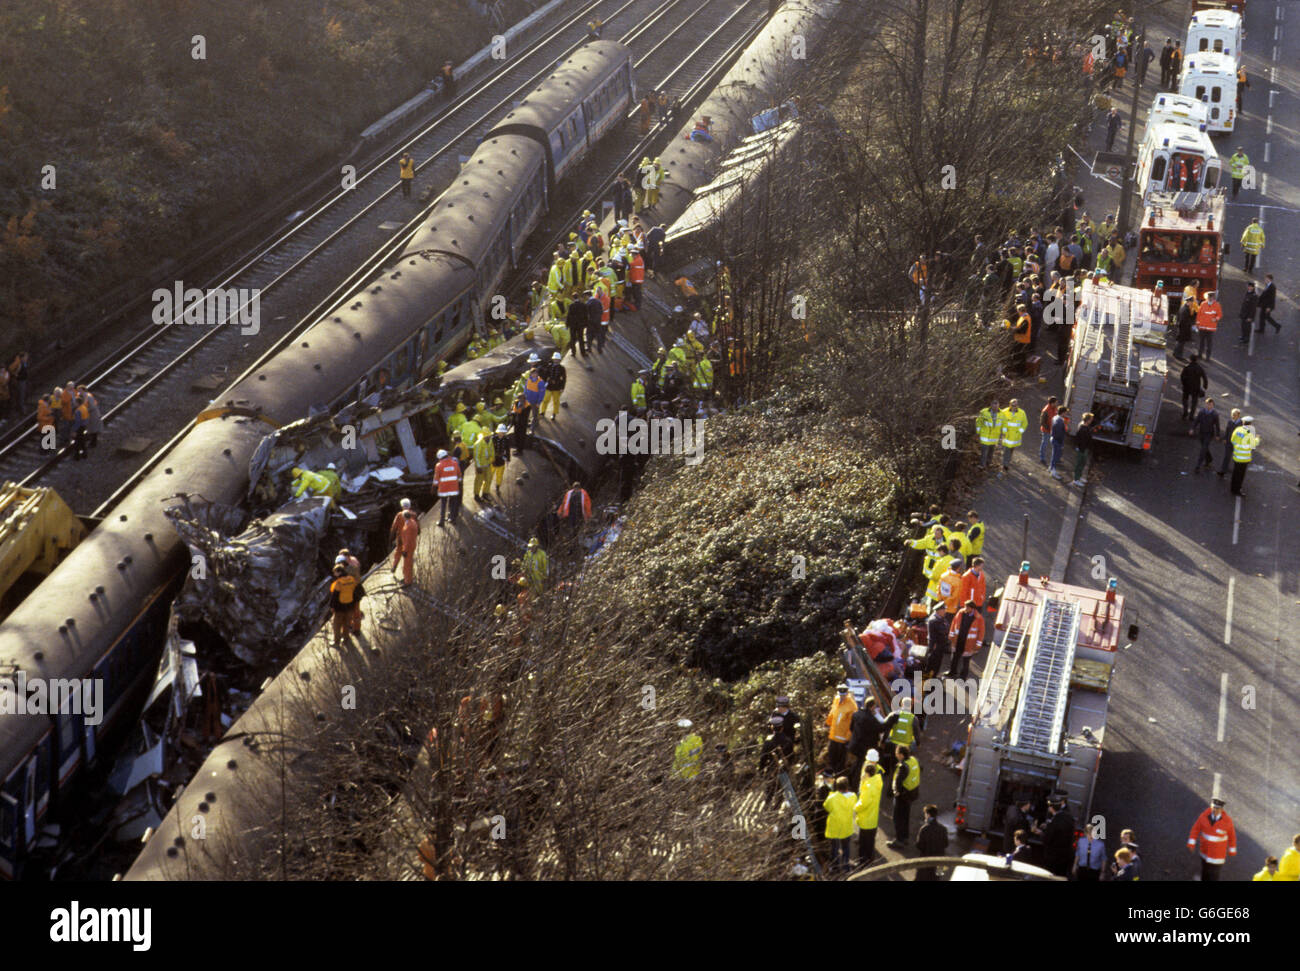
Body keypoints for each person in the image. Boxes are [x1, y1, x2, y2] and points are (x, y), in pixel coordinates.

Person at [1187, 796, 1237, 880]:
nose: (1215, 810)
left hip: (1217, 856)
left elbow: (1232, 836)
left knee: (1214, 875)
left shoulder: (1227, 821)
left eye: (1218, 808)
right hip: (1205, 852)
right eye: (1214, 808)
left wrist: (1232, 850)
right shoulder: (1203, 817)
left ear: (1221, 809)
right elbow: (1196, 829)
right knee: (1205, 871)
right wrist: (1191, 843)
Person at [887, 744, 921, 848]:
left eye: (897, 754)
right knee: (905, 816)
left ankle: (899, 840)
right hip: (912, 793)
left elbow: (898, 782)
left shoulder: (903, 767)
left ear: (901, 755)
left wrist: (896, 792)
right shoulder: (914, 760)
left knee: (898, 818)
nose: (896, 755)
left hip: (903, 795)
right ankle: (905, 837)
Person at [855, 753, 884, 867]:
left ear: (867, 774)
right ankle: (870, 858)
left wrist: (854, 807)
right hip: (873, 816)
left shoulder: (868, 787)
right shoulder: (877, 780)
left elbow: (863, 803)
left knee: (863, 842)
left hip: (866, 818)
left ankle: (862, 862)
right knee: (870, 840)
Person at [823, 776, 856, 874]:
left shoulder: (832, 797)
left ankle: (835, 867)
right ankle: (846, 867)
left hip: (835, 828)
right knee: (846, 848)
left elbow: (826, 806)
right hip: (847, 827)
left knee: (835, 849)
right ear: (847, 786)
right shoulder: (853, 796)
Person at [846, 697, 882, 786]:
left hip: (854, 744)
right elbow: (880, 728)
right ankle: (854, 783)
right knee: (860, 764)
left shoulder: (857, 714)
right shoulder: (870, 719)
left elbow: (851, 728)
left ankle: (850, 778)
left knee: (857, 762)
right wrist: (891, 720)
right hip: (862, 747)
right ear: (872, 707)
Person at [824, 683, 857, 774]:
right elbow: (833, 713)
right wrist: (827, 722)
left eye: (843, 695)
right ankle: (830, 772)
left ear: (847, 693)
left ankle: (839, 774)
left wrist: (848, 738)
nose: (841, 697)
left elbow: (852, 724)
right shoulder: (836, 700)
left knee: (840, 759)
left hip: (843, 738)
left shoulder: (852, 706)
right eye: (840, 695)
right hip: (833, 734)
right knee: (831, 756)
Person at [947, 600, 984, 679]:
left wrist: (978, 645)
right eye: (964, 606)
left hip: (969, 643)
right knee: (954, 657)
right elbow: (954, 623)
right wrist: (951, 636)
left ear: (972, 608)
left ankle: (963, 677)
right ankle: (952, 672)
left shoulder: (979, 618)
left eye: (967, 607)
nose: (965, 608)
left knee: (966, 661)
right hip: (958, 640)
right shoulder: (960, 613)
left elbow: (981, 632)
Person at [1039, 798, 1076, 877]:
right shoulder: (1068, 817)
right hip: (1065, 855)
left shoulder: (1054, 822)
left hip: (1053, 857)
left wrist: (1040, 833)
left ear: (1051, 808)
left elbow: (1047, 839)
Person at [328, 563, 362, 647]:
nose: (334, 574)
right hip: (349, 606)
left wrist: (332, 606)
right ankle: (346, 639)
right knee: (346, 624)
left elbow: (334, 596)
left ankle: (336, 642)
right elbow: (355, 592)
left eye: (335, 572)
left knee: (337, 625)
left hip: (340, 607)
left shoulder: (339, 583)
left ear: (338, 572)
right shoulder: (351, 579)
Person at [915, 804, 949, 881]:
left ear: (928, 814)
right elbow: (946, 844)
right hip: (939, 861)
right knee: (937, 878)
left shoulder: (924, 829)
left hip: (926, 861)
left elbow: (919, 845)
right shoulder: (943, 829)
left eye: (925, 814)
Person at [1229, 415, 1259, 497]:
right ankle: (1237, 490)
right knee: (1240, 475)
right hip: (1244, 459)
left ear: (1243, 422)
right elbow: (1253, 445)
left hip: (1236, 456)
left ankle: (1232, 488)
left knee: (1235, 473)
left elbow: (1232, 440)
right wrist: (1257, 439)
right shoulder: (1249, 433)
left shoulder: (1237, 430)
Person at [998, 398, 1028, 477]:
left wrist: (1020, 431)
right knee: (1007, 450)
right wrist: (1003, 430)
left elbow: (1025, 423)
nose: (1014, 407)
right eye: (1012, 405)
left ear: (1018, 405)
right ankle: (1005, 465)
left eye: (1015, 405)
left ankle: (1007, 461)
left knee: (1011, 449)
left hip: (1015, 436)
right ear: (1010, 405)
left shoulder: (1022, 413)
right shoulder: (1004, 412)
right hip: (1007, 435)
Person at [1190, 397, 1220, 473]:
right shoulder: (1201, 412)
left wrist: (1217, 435)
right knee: (1205, 448)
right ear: (1206, 405)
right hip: (1201, 433)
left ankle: (1198, 466)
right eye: (1207, 404)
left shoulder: (1215, 414)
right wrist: (1192, 428)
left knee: (1203, 450)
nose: (1209, 406)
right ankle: (1209, 459)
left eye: (1210, 405)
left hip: (1209, 434)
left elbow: (1217, 425)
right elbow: (1197, 421)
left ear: (1213, 405)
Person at [433, 449, 462, 526]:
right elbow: (459, 475)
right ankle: (452, 519)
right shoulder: (455, 463)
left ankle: (441, 521)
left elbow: (436, 479)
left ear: (439, 457)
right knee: (453, 504)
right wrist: (459, 482)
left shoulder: (438, 465)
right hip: (454, 489)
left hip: (443, 489)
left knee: (443, 505)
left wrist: (434, 487)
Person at [923, 603, 950, 678]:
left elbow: (947, 626)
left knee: (937, 665)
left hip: (940, 646)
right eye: (944, 610)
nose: (945, 611)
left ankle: (933, 681)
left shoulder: (941, 618)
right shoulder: (933, 621)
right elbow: (934, 636)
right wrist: (933, 648)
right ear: (939, 610)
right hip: (935, 647)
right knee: (931, 666)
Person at [1070, 412, 1095, 487]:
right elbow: (1080, 440)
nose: (1092, 421)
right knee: (1079, 464)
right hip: (1082, 449)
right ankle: (1076, 479)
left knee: (1082, 463)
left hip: (1084, 449)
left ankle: (1079, 477)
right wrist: (1082, 448)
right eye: (1091, 419)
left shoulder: (1084, 426)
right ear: (1087, 420)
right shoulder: (1083, 428)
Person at [1218, 407, 1243, 478]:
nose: (1232, 416)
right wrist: (1225, 438)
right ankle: (1223, 470)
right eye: (1232, 414)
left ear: (1238, 415)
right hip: (1229, 442)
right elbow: (1227, 430)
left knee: (1236, 458)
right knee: (1226, 456)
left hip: (1237, 444)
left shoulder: (1241, 424)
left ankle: (1236, 471)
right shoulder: (1230, 422)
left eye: (1234, 414)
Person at [977, 397, 1002, 467]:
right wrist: (978, 431)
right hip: (985, 436)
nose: (995, 408)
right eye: (994, 406)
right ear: (991, 405)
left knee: (991, 451)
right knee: (984, 452)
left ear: (999, 406)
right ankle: (982, 465)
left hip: (994, 437)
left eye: (997, 406)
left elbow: (1004, 423)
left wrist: (1003, 432)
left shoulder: (1001, 414)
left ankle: (988, 463)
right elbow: (978, 421)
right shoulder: (984, 412)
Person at [1180, 355, 1208, 419]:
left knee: (1185, 400)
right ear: (1196, 360)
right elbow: (1205, 378)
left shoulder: (1187, 367)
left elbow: (1182, 377)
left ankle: (1185, 412)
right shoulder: (1200, 368)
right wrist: (1204, 388)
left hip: (1187, 387)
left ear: (1190, 359)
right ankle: (1191, 416)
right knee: (1194, 402)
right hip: (1196, 388)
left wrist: (1184, 384)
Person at [540, 352, 566, 419]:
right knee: (545, 399)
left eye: (557, 359)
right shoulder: (549, 366)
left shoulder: (562, 368)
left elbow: (564, 379)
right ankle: (542, 411)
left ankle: (554, 414)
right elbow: (545, 375)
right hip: (549, 386)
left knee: (556, 401)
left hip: (557, 387)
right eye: (555, 359)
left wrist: (562, 387)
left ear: (559, 360)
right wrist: (544, 382)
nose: (556, 360)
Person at [1048, 404, 1070, 478]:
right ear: (1063, 412)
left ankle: (1051, 468)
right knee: (1056, 456)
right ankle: (1053, 471)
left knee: (1054, 455)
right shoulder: (1060, 420)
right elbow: (1059, 432)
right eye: (1066, 412)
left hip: (1054, 439)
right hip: (1057, 440)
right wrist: (1061, 442)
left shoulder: (1055, 417)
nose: (1066, 414)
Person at [1038, 396, 1058, 466]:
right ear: (1052, 403)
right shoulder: (1046, 410)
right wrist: (1049, 429)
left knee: (1053, 444)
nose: (1057, 403)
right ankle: (1042, 458)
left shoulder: (1055, 408)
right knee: (1044, 444)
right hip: (1046, 430)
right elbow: (1042, 422)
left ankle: (1056, 458)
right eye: (1056, 402)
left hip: (1052, 430)